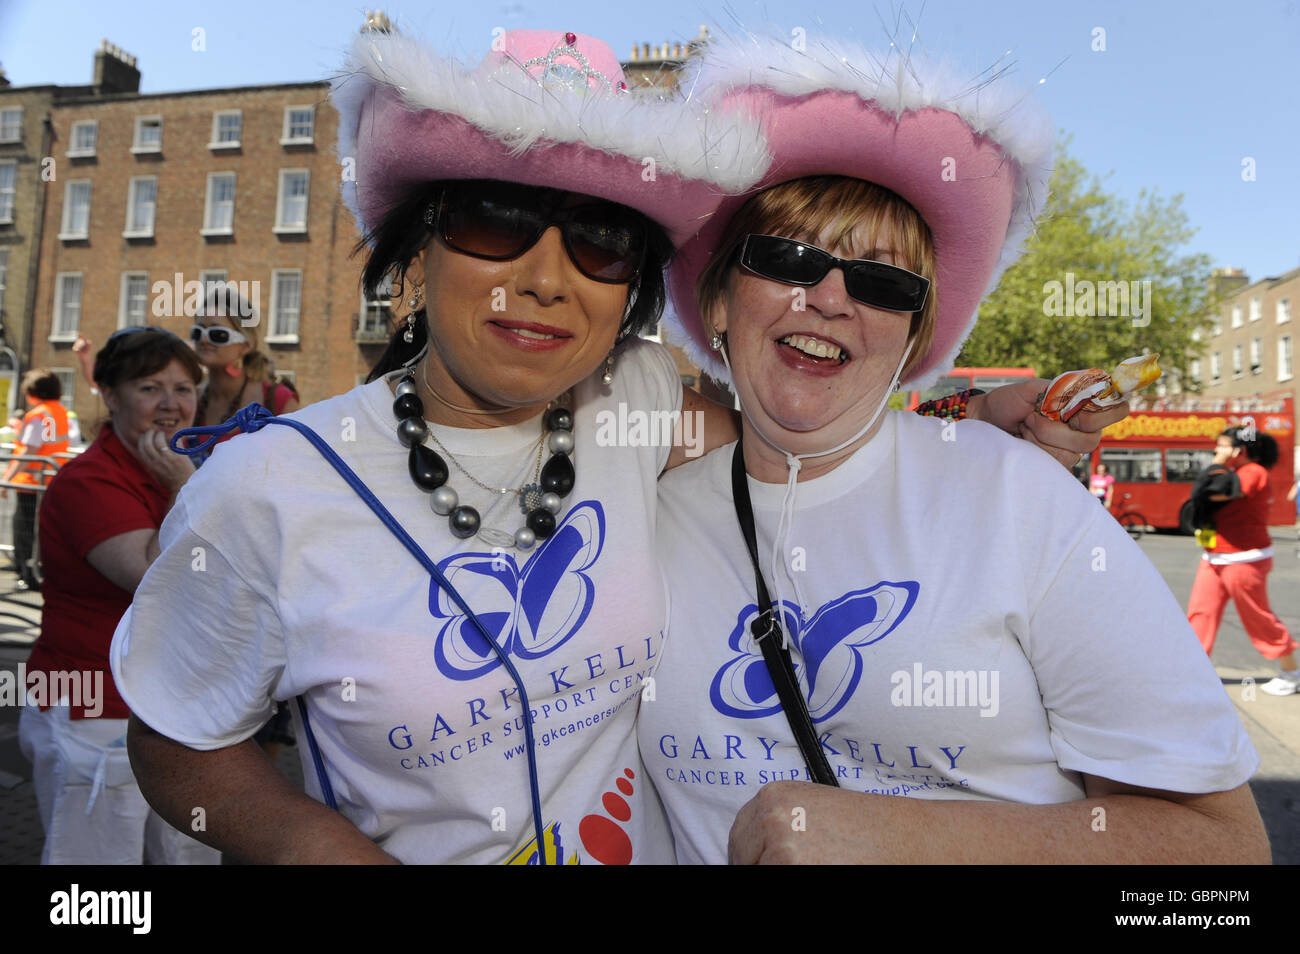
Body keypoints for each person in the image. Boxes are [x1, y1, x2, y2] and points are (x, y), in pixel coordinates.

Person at [110, 27, 1120, 866]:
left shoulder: (634, 399)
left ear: (628, 292)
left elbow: (797, 445)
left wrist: (967, 426)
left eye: (599, 242)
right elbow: (178, 739)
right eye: (497, 221)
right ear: (417, 251)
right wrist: (307, 845)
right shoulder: (266, 490)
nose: (549, 278)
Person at [641, 31, 1268, 864]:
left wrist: (903, 837)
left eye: (882, 282)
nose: (829, 296)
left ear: (911, 340)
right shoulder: (637, 509)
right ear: (717, 301)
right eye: (789, 257)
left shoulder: (1018, 499)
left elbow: (1220, 862)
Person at [17, 327, 220, 864]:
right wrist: (186, 488)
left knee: (185, 853)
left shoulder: (184, 466)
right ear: (109, 395)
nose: (172, 404)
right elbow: (155, 575)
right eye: (150, 388)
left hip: (175, 704)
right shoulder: (90, 481)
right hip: (95, 705)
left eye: (183, 388)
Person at [1187, 427, 1299, 696]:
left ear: (1240, 450)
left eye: (1222, 446)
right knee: (1199, 616)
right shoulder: (1234, 473)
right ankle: (1192, 673)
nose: (1217, 451)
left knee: (1258, 619)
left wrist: (1216, 465)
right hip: (1215, 556)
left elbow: (1211, 492)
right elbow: (1202, 494)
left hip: (1245, 559)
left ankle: (1292, 672)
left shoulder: (1253, 473)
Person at [191, 282, 300, 449]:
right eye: (198, 331)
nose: (204, 340)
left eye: (218, 334)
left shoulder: (278, 400)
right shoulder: (190, 398)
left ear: (246, 344)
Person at [2, 369, 69, 590]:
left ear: (32, 392)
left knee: (23, 527)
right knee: (39, 529)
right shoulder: (59, 411)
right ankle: (34, 569)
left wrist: (7, 477)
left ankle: (25, 571)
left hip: (30, 480)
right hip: (49, 478)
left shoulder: (38, 415)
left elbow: (29, 449)